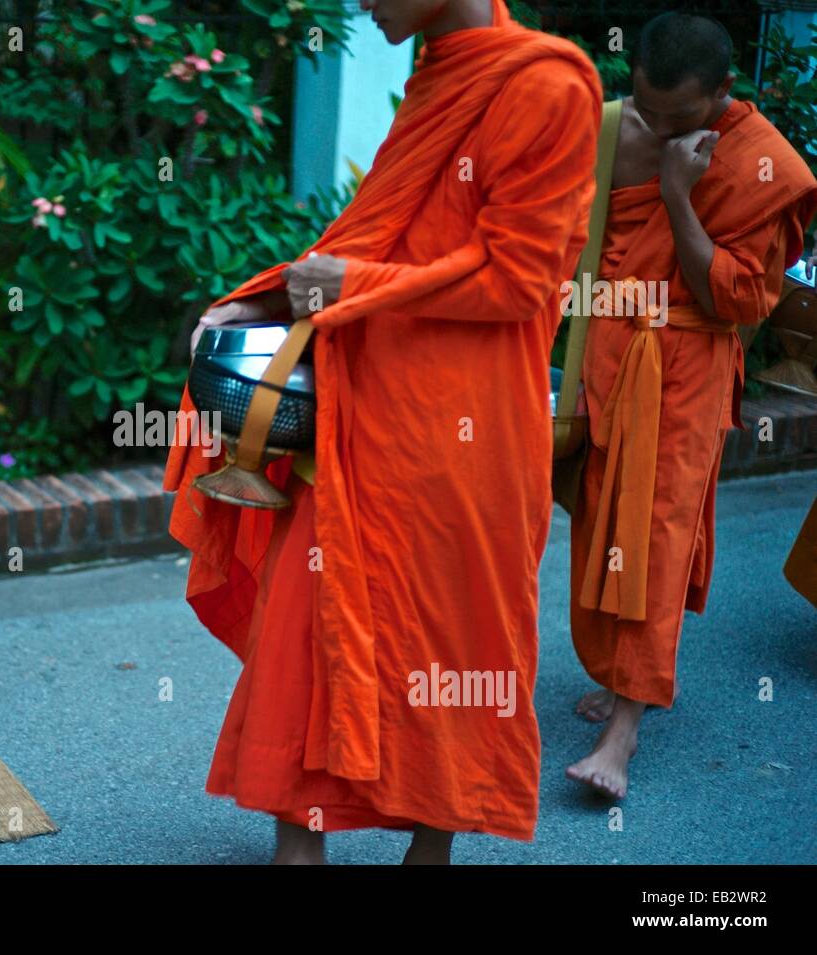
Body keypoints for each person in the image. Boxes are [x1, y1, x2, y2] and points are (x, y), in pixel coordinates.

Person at [166, 0, 602, 863]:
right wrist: (263, 295)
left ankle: (429, 850)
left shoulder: (547, 84)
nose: (360, 2)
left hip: (464, 437)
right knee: (306, 616)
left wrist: (347, 284)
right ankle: (300, 842)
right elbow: (383, 235)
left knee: (451, 636)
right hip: (359, 403)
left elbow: (518, 280)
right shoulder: (440, 65)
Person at [566, 13, 817, 800]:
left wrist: (678, 193)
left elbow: (739, 301)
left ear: (723, 94)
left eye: (681, 116)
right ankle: (615, 676)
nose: (661, 128)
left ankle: (622, 735)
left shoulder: (766, 165)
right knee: (602, 517)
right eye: (648, 108)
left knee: (656, 537)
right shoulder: (619, 126)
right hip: (613, 355)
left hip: (685, 369)